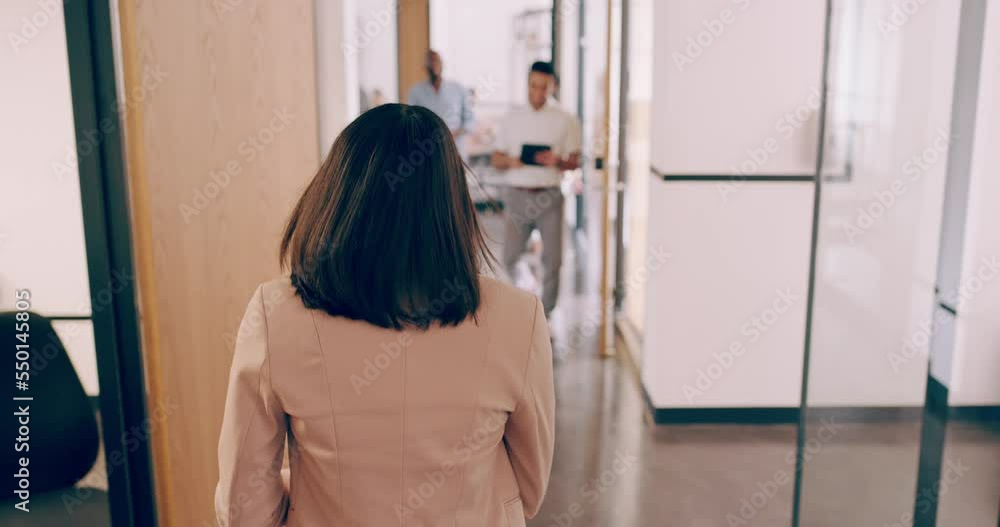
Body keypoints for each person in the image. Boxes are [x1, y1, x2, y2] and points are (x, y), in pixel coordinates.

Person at [215, 104, 555, 527]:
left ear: (335, 196)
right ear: (452, 204)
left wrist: (305, 488)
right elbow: (529, 486)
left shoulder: (276, 315)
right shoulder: (518, 318)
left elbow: (243, 507)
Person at [491, 61, 581, 318]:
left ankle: (546, 315)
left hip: (550, 195)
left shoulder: (567, 119)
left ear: (553, 87)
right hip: (518, 193)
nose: (538, 93)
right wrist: (513, 161)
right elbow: (496, 159)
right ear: (527, 84)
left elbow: (575, 160)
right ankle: (528, 297)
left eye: (544, 87)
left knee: (553, 262)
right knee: (510, 257)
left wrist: (558, 161)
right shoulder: (512, 118)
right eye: (533, 86)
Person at [407, 50, 474, 141]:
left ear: (442, 64)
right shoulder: (416, 91)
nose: (434, 65)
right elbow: (410, 120)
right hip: (427, 145)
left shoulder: (458, 89)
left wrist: (455, 134)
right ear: (425, 67)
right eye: (430, 62)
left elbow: (470, 119)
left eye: (436, 61)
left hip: (456, 145)